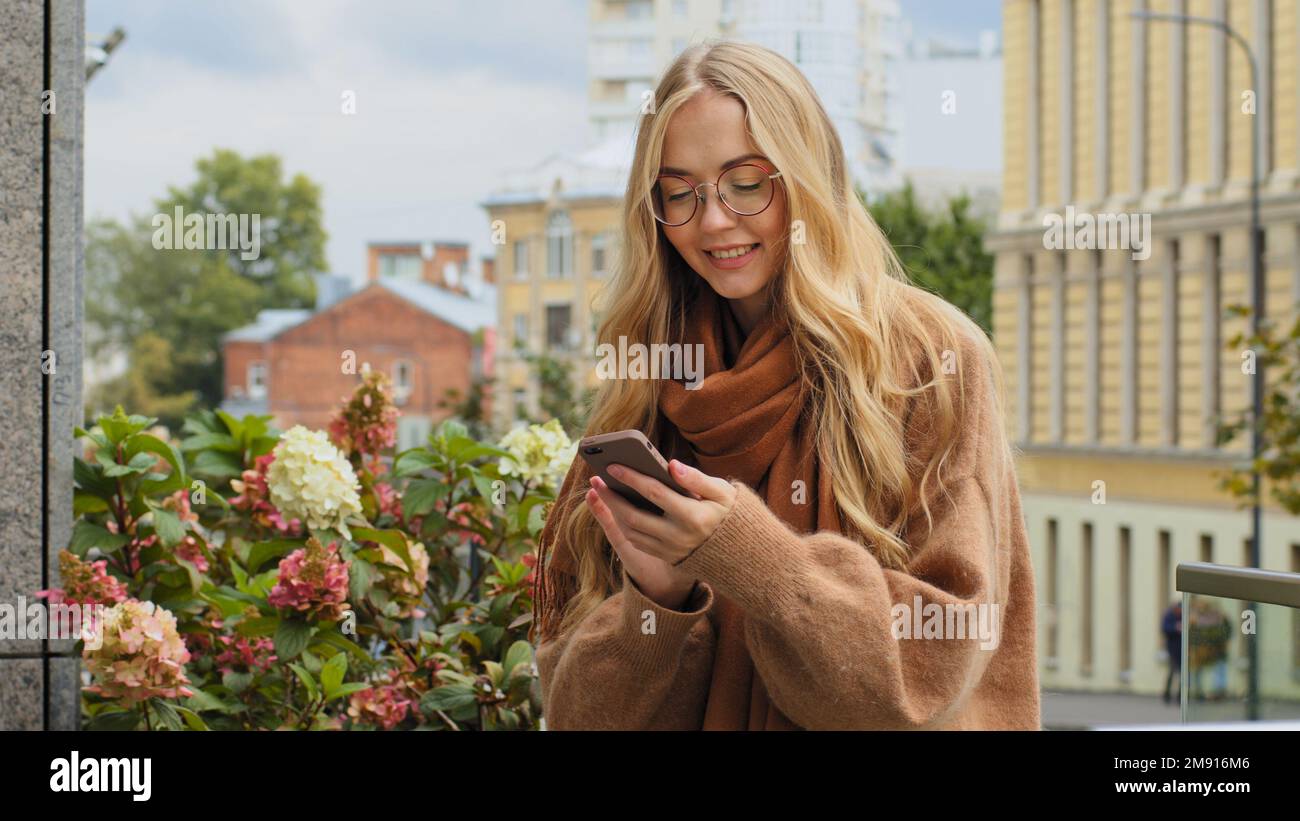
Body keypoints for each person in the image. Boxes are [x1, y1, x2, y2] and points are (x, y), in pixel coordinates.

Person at [529, 40, 1040, 730]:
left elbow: (931, 672)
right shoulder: (647, 379)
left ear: (807, 178)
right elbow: (574, 716)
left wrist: (750, 556)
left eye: (746, 184)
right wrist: (656, 601)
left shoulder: (931, 360)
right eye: (679, 193)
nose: (712, 221)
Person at [1160, 601, 1182, 704]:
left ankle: (1180, 697)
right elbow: (1164, 628)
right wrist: (1175, 628)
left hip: (1182, 650)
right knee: (1172, 672)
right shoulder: (1169, 615)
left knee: (1183, 674)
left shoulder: (1183, 616)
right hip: (1172, 649)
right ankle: (1167, 695)